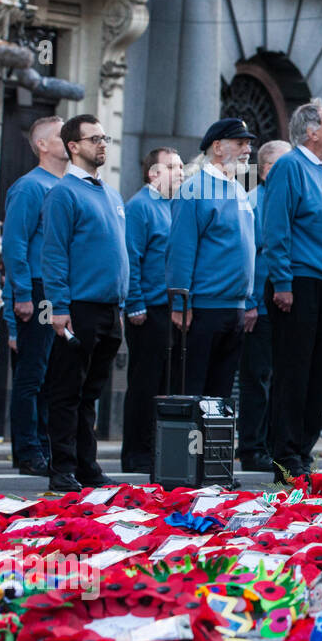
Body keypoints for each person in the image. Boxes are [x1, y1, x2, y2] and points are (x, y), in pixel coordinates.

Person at [40, 114, 128, 492]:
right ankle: (62, 467)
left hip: (110, 309)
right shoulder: (63, 193)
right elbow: (54, 254)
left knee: (91, 392)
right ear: (73, 146)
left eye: (104, 137)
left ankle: (86, 464)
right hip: (78, 307)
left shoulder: (110, 193)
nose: (102, 144)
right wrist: (59, 307)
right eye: (94, 139)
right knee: (66, 391)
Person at [263, 98, 322, 482]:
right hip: (298, 283)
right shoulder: (288, 168)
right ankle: (286, 455)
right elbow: (276, 229)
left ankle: (304, 449)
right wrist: (282, 282)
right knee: (294, 372)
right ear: (311, 132)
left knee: (318, 373)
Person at [167, 118, 257, 403]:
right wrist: (182, 305)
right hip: (204, 309)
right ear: (217, 147)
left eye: (249, 144)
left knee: (221, 395)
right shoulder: (193, 190)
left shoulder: (239, 189)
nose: (247, 150)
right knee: (194, 392)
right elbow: (181, 250)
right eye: (240, 143)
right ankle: (190, 449)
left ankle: (212, 449)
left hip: (235, 308)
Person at [4, 116, 66, 476]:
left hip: (62, 289)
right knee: (33, 373)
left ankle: (45, 444)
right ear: (42, 145)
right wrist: (23, 294)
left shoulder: (69, 185)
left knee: (54, 373)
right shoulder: (30, 187)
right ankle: (28, 450)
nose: (68, 142)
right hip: (39, 287)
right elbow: (15, 245)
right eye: (60, 136)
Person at [120, 146, 183, 473]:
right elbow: (131, 257)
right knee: (145, 384)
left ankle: (159, 451)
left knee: (165, 387)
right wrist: (134, 303)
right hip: (148, 308)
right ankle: (135, 453)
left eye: (182, 166)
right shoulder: (140, 207)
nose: (181, 172)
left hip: (171, 309)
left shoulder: (176, 207)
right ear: (153, 173)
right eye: (172, 167)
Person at [236, 139, 290, 472]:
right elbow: (251, 257)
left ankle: (272, 444)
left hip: (283, 308)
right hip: (261, 307)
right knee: (256, 379)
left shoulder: (284, 200)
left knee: (279, 379)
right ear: (269, 169)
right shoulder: (254, 202)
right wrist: (252, 302)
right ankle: (252, 448)